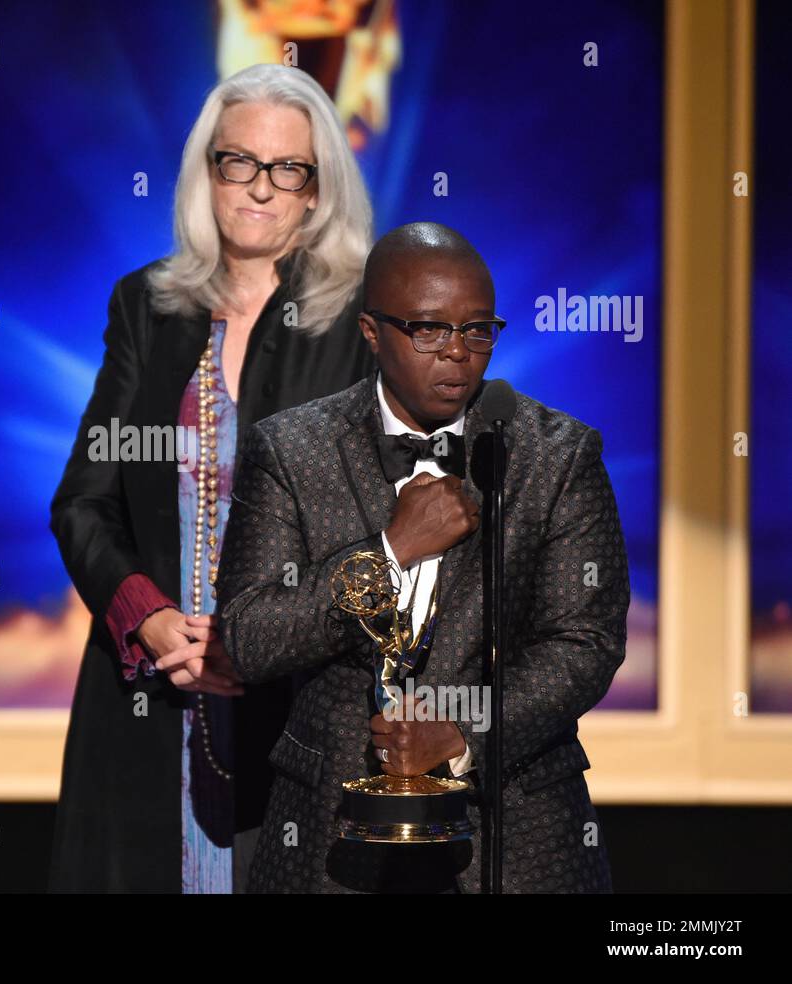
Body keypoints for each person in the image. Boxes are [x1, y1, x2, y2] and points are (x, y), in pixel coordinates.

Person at [218, 222, 628, 893]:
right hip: (330, 833)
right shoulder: (290, 451)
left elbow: (585, 642)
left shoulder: (557, 455)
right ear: (372, 332)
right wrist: (389, 552)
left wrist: (463, 733)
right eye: (430, 329)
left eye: (478, 331)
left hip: (516, 834)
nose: (458, 354)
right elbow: (249, 636)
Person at [48, 63, 375, 893]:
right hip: (148, 698)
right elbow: (84, 503)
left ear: (316, 189)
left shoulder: (361, 320)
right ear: (208, 172)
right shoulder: (145, 307)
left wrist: (257, 643)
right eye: (239, 163)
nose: (260, 189)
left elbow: (386, 527)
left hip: (301, 703)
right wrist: (148, 619)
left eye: (287, 169)